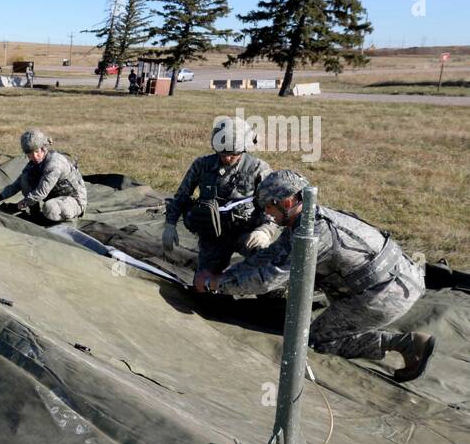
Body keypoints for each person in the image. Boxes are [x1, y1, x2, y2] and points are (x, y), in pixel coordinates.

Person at [197, 170, 435, 382]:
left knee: (318, 340)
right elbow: (270, 255)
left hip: (386, 292)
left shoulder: (314, 234)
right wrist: (226, 274)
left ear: (288, 202)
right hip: (390, 280)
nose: (267, 214)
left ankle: (406, 345)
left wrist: (214, 283)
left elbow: (269, 279)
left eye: (269, 206)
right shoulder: (307, 219)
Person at [163, 116, 278, 286]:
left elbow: (274, 204)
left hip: (247, 233)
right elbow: (181, 196)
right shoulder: (202, 166)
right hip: (213, 236)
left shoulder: (258, 169)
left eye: (233, 154)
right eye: (222, 153)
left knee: (268, 271)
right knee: (204, 284)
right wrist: (170, 225)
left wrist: (265, 230)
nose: (227, 158)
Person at [0, 128, 87, 223]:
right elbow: (18, 184)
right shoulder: (34, 164)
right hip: (54, 196)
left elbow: (41, 192)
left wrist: (19, 205)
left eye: (37, 151)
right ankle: (36, 213)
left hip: (73, 200)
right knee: (25, 178)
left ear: (43, 148)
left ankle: (60, 219)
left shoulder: (54, 164)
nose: (34, 156)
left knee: (50, 208)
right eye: (30, 154)